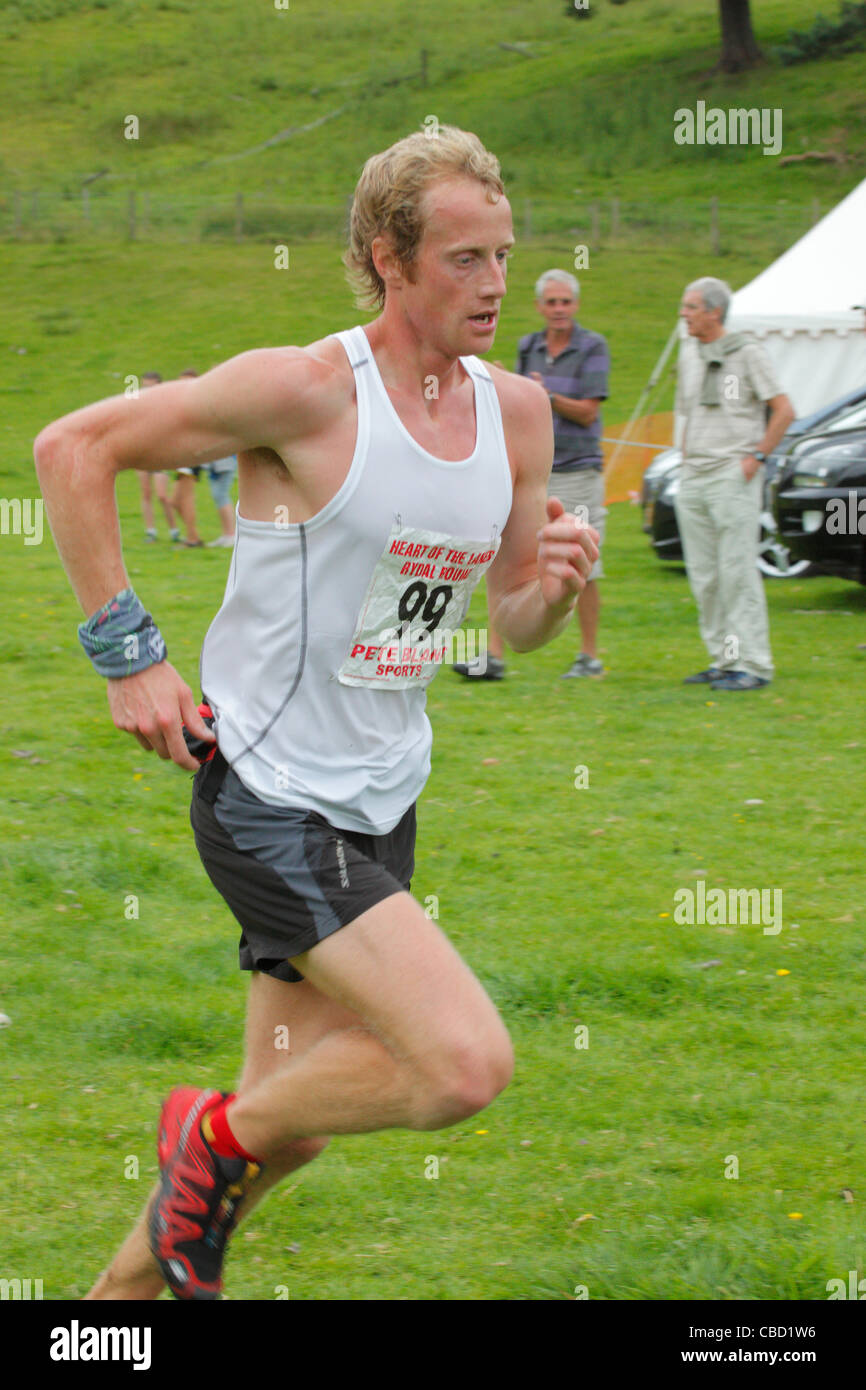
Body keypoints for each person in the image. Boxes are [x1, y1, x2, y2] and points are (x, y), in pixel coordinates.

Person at [34, 125, 598, 1302]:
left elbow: (507, 623)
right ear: (388, 260)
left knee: (285, 1131)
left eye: (503, 254)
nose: (494, 284)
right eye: (462, 260)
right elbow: (72, 447)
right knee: (459, 1064)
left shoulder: (518, 415)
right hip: (266, 795)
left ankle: (99, 1321)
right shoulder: (301, 391)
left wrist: (549, 587)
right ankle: (204, 1133)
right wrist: (127, 653)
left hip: (383, 795)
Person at [454, 269, 609, 681]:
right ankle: (493, 654)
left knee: (582, 564)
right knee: (507, 559)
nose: (558, 310)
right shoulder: (529, 346)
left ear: (575, 306)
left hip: (577, 469)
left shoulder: (593, 347)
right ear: (540, 307)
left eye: (566, 302)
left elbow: (589, 410)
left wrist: (544, 396)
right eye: (551, 303)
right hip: (530, 469)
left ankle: (589, 656)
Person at [675, 277, 794, 691]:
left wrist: (757, 456)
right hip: (695, 477)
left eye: (691, 307)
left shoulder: (747, 353)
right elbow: (686, 412)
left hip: (733, 475)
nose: (683, 315)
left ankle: (755, 664)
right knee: (705, 576)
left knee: (737, 572)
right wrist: (684, 458)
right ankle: (723, 659)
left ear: (714, 312)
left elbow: (783, 409)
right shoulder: (688, 352)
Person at [136, 372, 180, 543]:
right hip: (142, 452)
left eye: (151, 386)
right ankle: (151, 532)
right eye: (145, 386)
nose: (148, 390)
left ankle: (174, 530)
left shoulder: (165, 406)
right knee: (146, 493)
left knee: (162, 495)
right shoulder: (138, 406)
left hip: (160, 453)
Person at [170, 368, 205, 547]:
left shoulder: (198, 404)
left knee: (186, 496)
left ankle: (192, 539)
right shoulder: (181, 403)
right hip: (181, 454)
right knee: (174, 501)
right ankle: (194, 535)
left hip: (192, 452)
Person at [205, 454, 238, 547]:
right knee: (218, 496)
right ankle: (226, 534)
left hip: (225, 463)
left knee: (221, 495)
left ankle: (231, 535)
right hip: (217, 463)